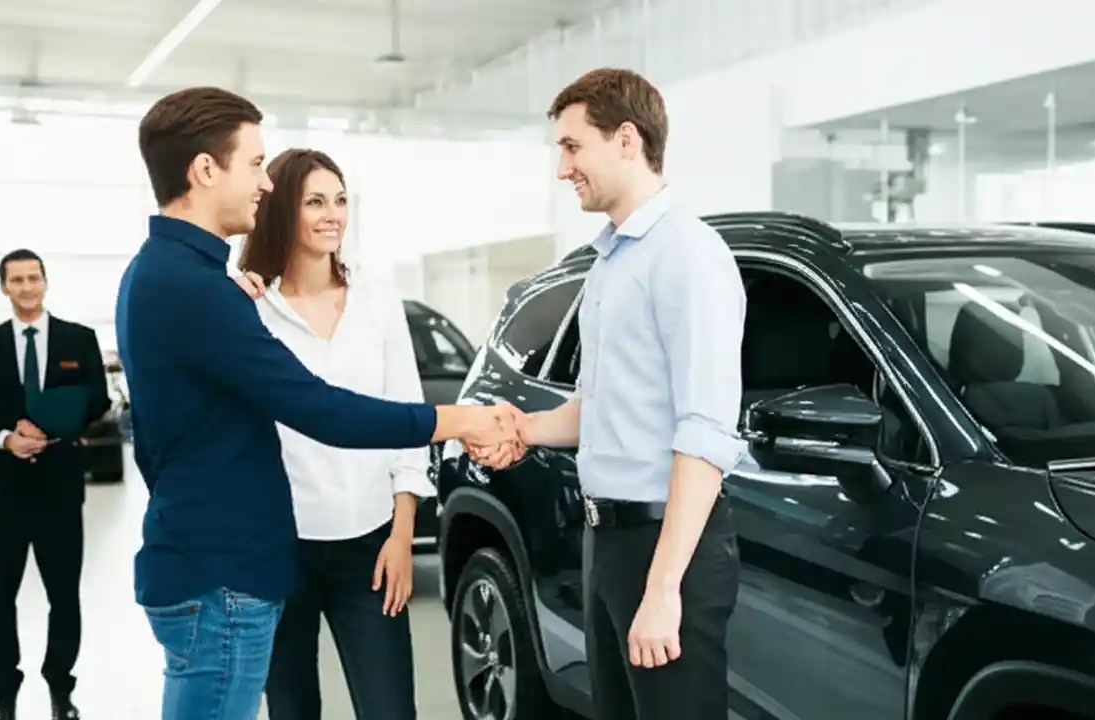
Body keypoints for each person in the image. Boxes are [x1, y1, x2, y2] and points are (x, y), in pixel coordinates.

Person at [116, 86, 520, 720]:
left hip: (236, 554)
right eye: (254, 164)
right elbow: (324, 410)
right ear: (203, 170)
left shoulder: (168, 276)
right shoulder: (207, 292)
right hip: (229, 568)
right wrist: (464, 419)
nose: (264, 184)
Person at [472, 67, 747, 720]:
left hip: (666, 546)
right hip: (609, 544)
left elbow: (705, 434)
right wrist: (524, 429)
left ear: (627, 140)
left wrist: (662, 588)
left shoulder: (688, 254)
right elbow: (607, 408)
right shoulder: (611, 262)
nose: (562, 169)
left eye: (572, 147)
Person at [229, 148, 428, 719]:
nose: (332, 214)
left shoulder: (377, 298)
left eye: (340, 200)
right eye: (314, 201)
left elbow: (406, 415)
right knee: (292, 709)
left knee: (390, 708)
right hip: (276, 546)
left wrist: (402, 533)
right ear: (281, 209)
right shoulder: (249, 307)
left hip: (369, 541)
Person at [0, 249, 110, 720]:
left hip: (60, 487)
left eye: (34, 278)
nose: (27, 288)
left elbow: (98, 400)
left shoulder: (79, 338)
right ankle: (3, 694)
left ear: (46, 282)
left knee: (64, 595)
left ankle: (60, 690)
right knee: (0, 595)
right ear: (4, 287)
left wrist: (56, 428)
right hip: (5, 491)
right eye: (17, 280)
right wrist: (8, 439)